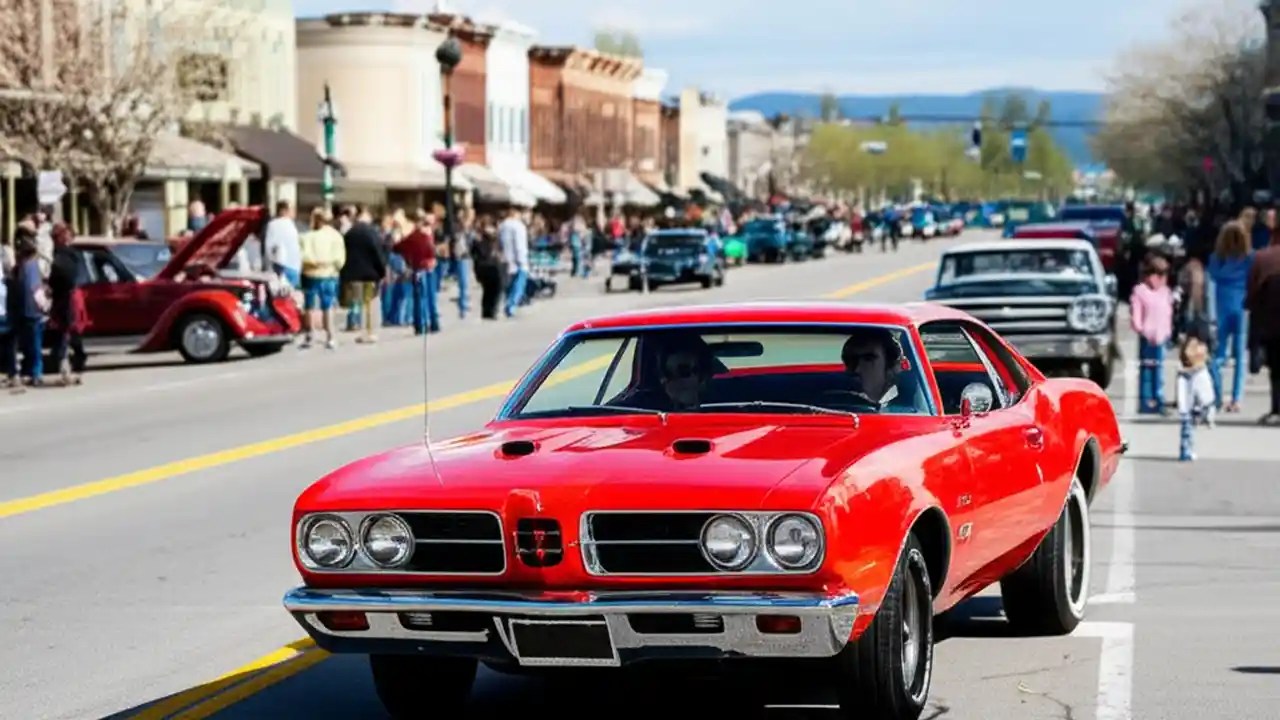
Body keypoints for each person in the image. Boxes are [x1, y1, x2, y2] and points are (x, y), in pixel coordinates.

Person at [1206, 221, 1253, 412]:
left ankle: (1217, 394)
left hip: (1222, 307)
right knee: (1240, 355)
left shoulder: (1216, 259)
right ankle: (1236, 398)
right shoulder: (1249, 258)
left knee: (1219, 354)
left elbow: (1211, 282)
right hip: (1243, 307)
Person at [298, 207, 346, 350]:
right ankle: (330, 336)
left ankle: (310, 335)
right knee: (328, 305)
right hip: (329, 274)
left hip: (310, 274)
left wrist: (313, 262)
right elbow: (340, 259)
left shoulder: (306, 237)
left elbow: (302, 255)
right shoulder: (336, 236)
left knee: (309, 306)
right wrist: (331, 265)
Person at [1246, 225, 1280, 425]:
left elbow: (1252, 290)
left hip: (1271, 322)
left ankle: (1277, 409)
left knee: (1276, 369)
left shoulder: (1261, 257)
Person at [47, 224, 88, 385]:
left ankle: (68, 366)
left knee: (66, 332)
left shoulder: (63, 256)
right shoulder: (67, 255)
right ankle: (71, 364)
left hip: (66, 299)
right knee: (68, 332)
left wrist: (51, 285)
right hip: (66, 298)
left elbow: (63, 278)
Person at [840, 327, 906, 409]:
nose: (856, 369)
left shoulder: (906, 410)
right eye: (851, 360)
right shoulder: (832, 407)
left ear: (892, 367)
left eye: (868, 360)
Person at [1175, 334, 1215, 461]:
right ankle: (1186, 450)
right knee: (1188, 428)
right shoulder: (1200, 374)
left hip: (1190, 405)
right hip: (1195, 405)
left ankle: (1185, 450)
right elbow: (1207, 393)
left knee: (1187, 428)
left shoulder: (1184, 375)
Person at [263, 200, 301, 288]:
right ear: (283, 211)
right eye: (291, 209)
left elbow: (268, 248)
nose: (293, 212)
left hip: (286, 266)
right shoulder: (275, 225)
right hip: (285, 267)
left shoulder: (289, 224)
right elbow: (269, 248)